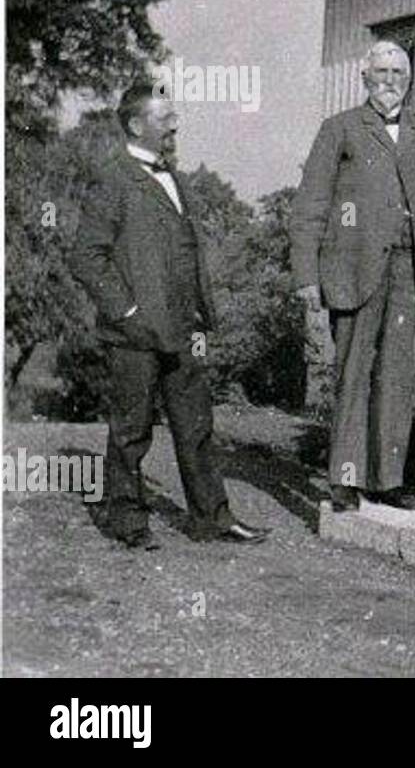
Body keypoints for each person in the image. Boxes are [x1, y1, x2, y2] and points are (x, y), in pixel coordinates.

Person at [70, 82, 270, 549]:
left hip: (183, 330)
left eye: (175, 117)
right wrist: (128, 310)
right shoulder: (112, 178)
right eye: (165, 119)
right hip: (134, 334)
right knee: (131, 432)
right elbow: (86, 257)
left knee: (197, 427)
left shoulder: (176, 178)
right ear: (137, 125)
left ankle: (214, 520)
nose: (175, 126)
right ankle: (128, 523)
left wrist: (201, 311)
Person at [290, 41, 415, 511]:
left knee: (397, 378)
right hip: (353, 268)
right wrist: (307, 274)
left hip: (409, 271)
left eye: (399, 72)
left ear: (411, 79)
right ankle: (345, 479)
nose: (390, 80)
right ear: (365, 78)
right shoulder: (340, 129)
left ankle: (388, 480)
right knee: (354, 373)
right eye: (381, 71)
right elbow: (309, 206)